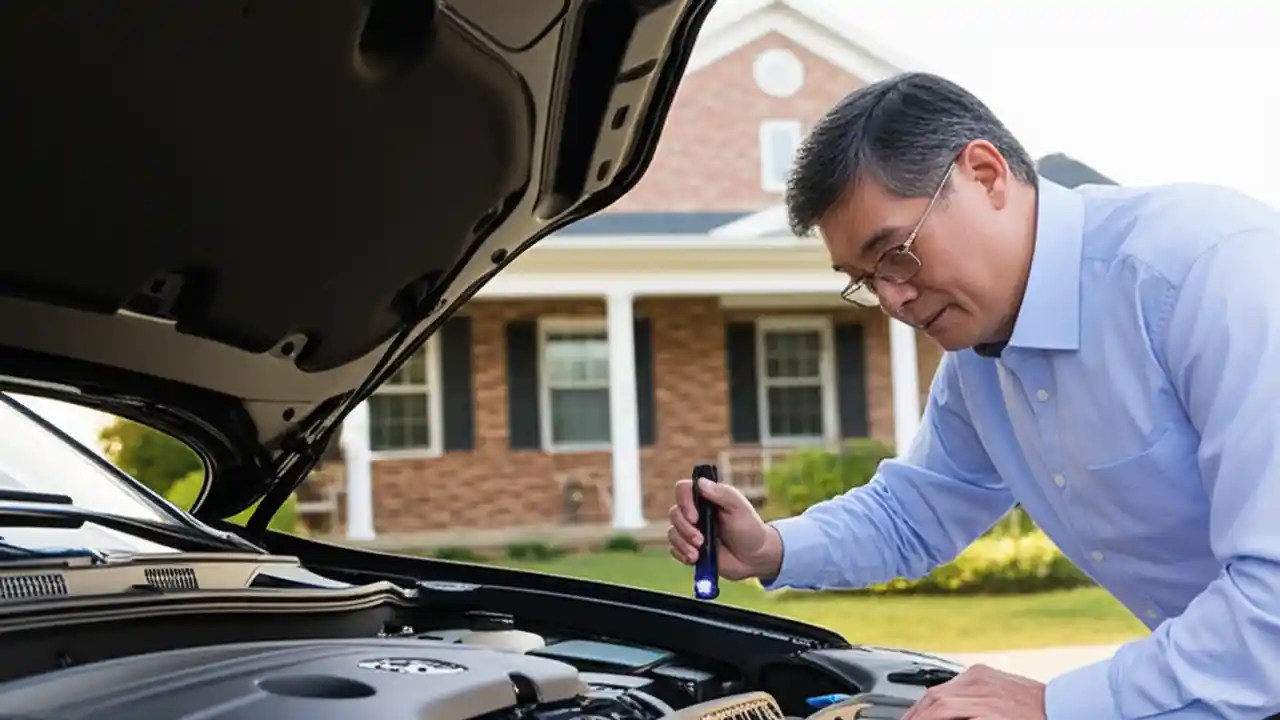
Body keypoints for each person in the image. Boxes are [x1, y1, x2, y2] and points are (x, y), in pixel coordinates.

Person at [667, 71, 1280, 719]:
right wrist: (772, 547)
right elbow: (916, 510)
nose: (894, 299)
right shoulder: (980, 359)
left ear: (985, 174)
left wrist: (1052, 704)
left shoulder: (1208, 273)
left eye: (896, 253)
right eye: (865, 281)